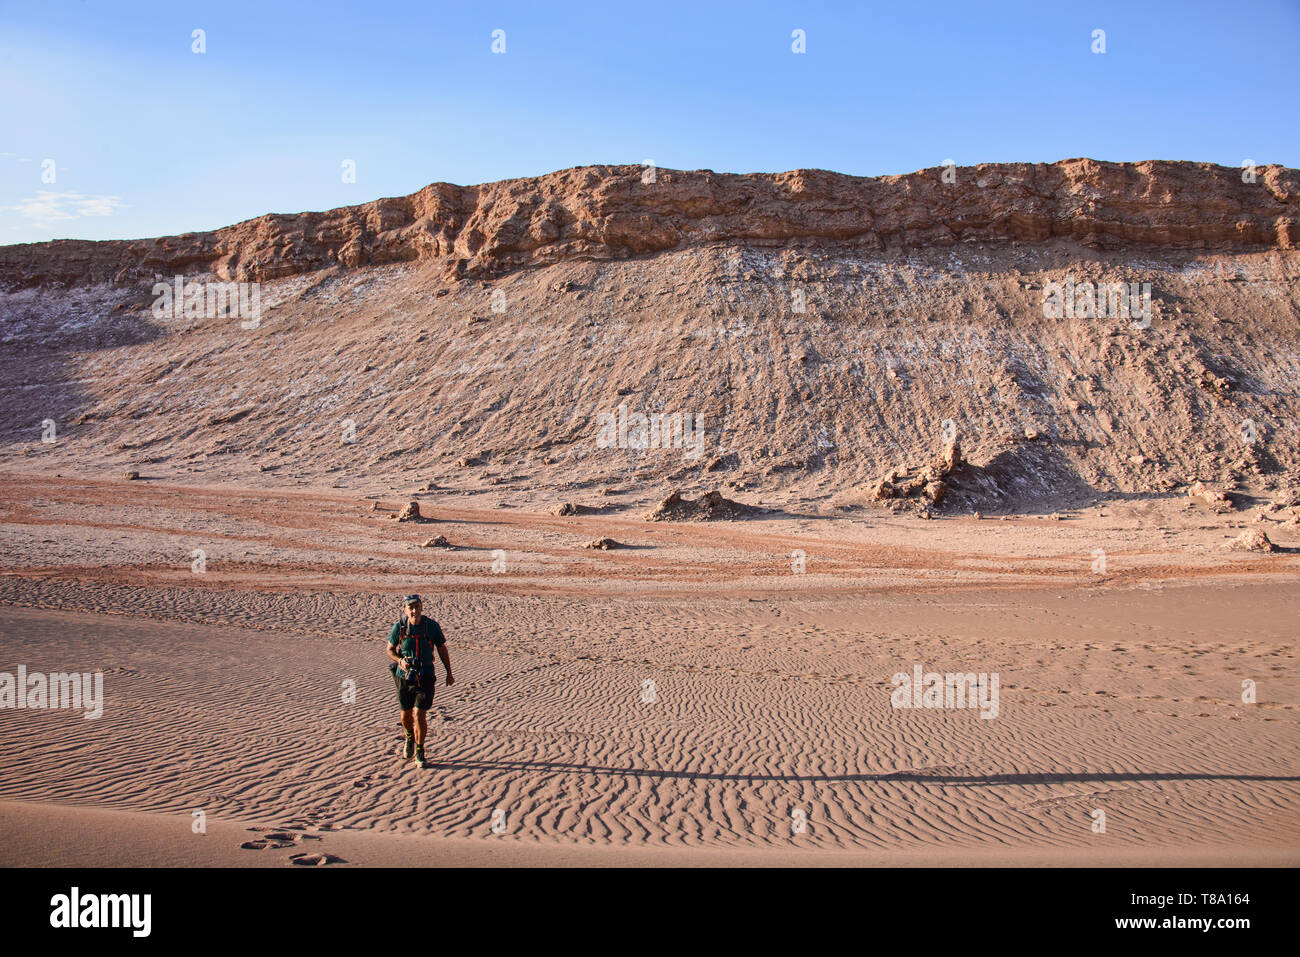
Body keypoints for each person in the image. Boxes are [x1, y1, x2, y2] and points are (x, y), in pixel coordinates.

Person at [386, 594, 454, 768]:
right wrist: (399, 661)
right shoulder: (399, 627)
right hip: (404, 677)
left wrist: (449, 672)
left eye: (417, 607)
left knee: (419, 714)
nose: (414, 610)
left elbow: (441, 648)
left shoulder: (432, 627)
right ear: (405, 609)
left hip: (425, 676)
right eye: (411, 607)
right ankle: (409, 737)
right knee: (405, 715)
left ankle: (420, 750)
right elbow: (390, 649)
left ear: (422, 608)